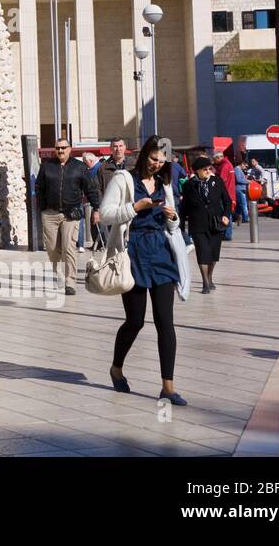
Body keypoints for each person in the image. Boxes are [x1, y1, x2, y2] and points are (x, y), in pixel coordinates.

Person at [100, 134, 186, 406]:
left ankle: (168, 387)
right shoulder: (124, 179)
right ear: (144, 154)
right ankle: (116, 368)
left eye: (161, 161)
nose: (156, 165)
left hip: (160, 252)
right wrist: (135, 207)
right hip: (133, 252)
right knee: (135, 320)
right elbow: (106, 213)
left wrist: (172, 218)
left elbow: (173, 223)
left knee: (165, 323)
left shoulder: (164, 182)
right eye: (152, 159)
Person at [35, 139, 101, 296]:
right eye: (57, 148)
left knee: (68, 248)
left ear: (70, 149)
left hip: (71, 214)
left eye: (63, 148)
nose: (60, 151)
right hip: (50, 213)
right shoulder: (46, 166)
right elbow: (39, 187)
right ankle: (59, 276)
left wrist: (96, 209)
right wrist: (43, 207)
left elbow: (91, 189)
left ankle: (70, 283)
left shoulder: (79, 167)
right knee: (52, 249)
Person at [181, 156, 231, 292]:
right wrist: (180, 226)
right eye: (205, 169)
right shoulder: (189, 185)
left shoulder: (217, 181)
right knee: (203, 252)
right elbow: (184, 206)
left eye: (210, 168)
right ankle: (205, 282)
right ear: (197, 171)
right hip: (197, 224)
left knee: (214, 253)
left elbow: (227, 200)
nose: (208, 171)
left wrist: (226, 215)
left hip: (216, 223)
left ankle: (210, 277)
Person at [95, 138, 133, 249]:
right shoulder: (103, 167)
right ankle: (115, 264)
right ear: (111, 148)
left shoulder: (133, 165)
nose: (118, 149)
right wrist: (99, 208)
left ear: (125, 147)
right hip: (112, 210)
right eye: (115, 146)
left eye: (121, 146)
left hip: (130, 208)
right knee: (114, 243)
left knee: (130, 242)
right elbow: (97, 189)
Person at [232, 150, 250, 223]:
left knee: (240, 205)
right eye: (245, 166)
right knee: (244, 204)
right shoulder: (237, 169)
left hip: (241, 189)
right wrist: (247, 181)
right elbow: (239, 180)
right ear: (242, 164)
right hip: (240, 189)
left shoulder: (239, 170)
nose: (245, 167)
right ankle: (245, 218)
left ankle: (237, 217)